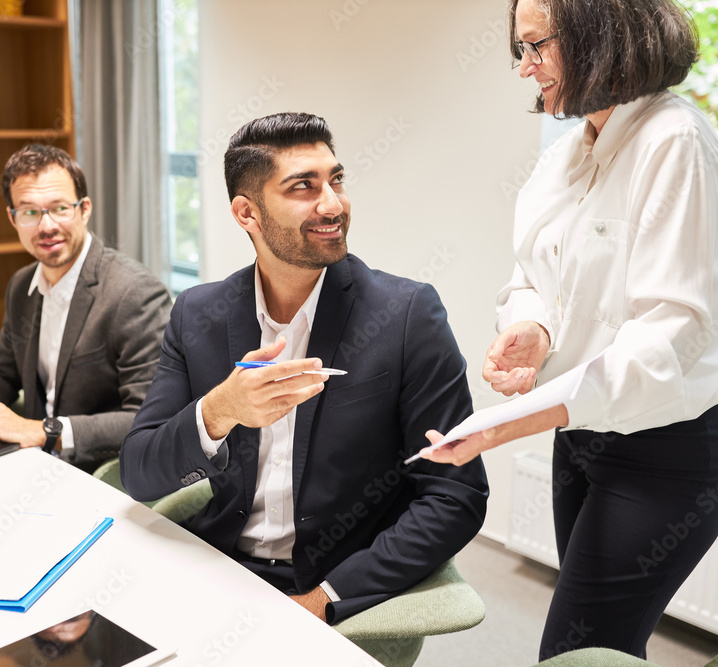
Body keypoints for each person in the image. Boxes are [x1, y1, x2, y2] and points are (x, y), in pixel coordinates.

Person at [421, 0, 718, 659]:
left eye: (536, 46)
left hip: (670, 453)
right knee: (606, 650)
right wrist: (534, 328)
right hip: (584, 436)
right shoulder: (568, 153)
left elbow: (668, 337)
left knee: (575, 650)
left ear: (602, 31)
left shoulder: (673, 142)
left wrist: (511, 423)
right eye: (520, 50)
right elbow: (533, 277)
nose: (525, 69)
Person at [119, 112, 488, 624]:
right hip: (215, 570)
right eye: (303, 187)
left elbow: (456, 494)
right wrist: (219, 411)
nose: (333, 204)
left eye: (335, 180)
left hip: (330, 585)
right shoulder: (196, 314)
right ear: (247, 213)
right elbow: (139, 473)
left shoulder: (407, 316)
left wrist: (324, 600)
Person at [0, 144, 171, 472]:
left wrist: (43, 431)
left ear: (84, 209)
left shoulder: (133, 293)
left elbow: (151, 419)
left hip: (102, 475)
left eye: (60, 208)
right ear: (13, 218)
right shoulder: (22, 285)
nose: (46, 226)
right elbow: (2, 372)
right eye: (29, 212)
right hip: (34, 464)